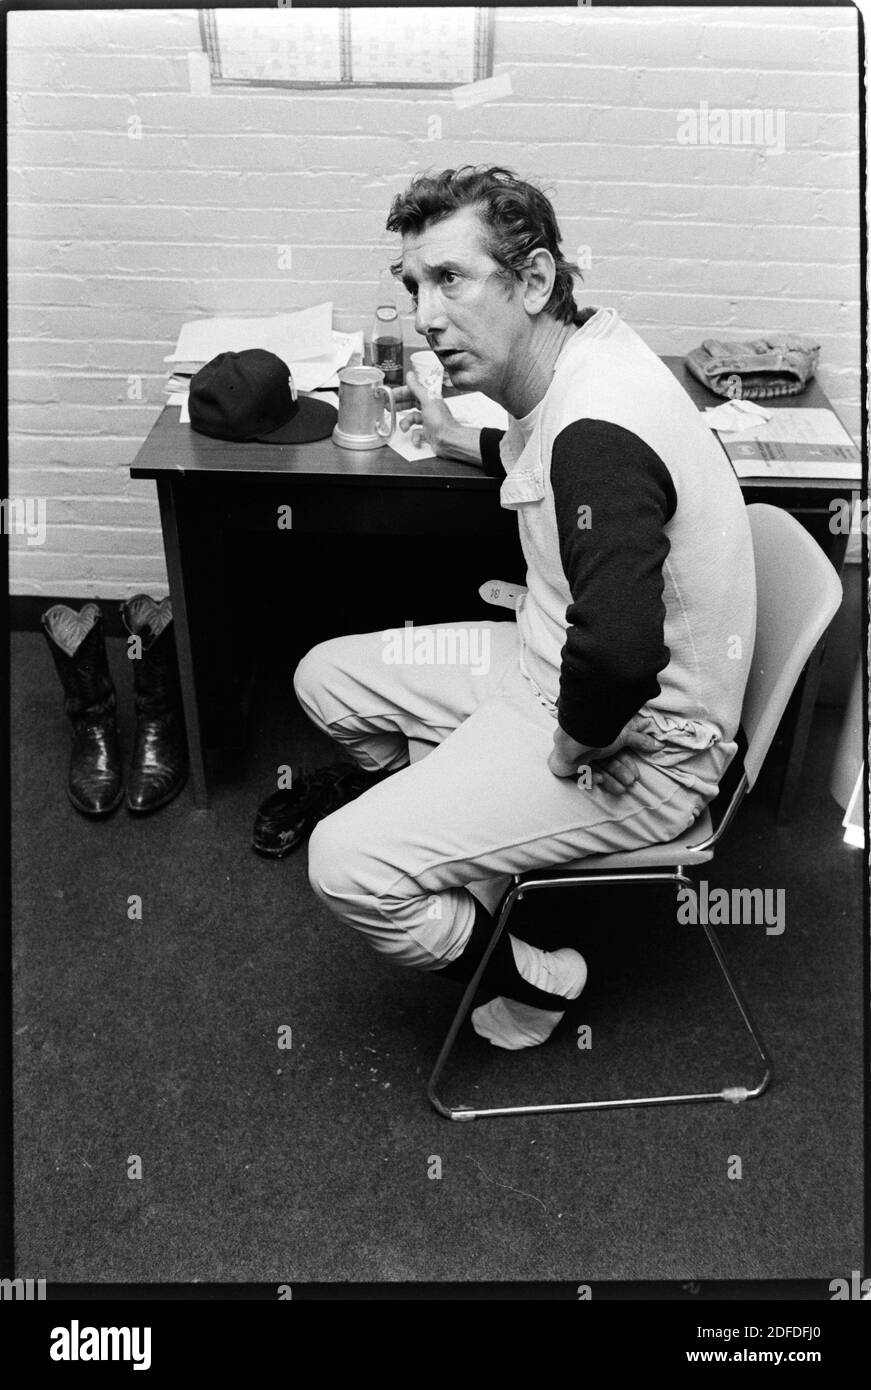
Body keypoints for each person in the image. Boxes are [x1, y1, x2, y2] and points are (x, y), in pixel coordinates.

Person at [253, 165, 756, 1050]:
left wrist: (578, 740)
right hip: (546, 660)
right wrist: (464, 440)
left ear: (532, 281)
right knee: (326, 677)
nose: (425, 315)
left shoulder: (601, 427)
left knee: (344, 865)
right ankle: (461, 843)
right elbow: (557, 465)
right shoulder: (584, 358)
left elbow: (622, 653)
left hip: (642, 746)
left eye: (450, 279)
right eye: (413, 286)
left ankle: (541, 978)